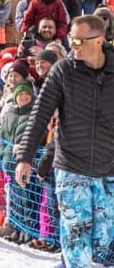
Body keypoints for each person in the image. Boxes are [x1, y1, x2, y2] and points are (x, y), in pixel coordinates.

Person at [16, 15, 114, 267]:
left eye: (80, 40)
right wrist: (25, 158)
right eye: (72, 39)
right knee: (76, 238)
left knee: (103, 241)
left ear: (99, 40)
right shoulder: (63, 71)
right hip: (71, 168)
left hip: (108, 169)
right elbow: (40, 115)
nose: (74, 45)